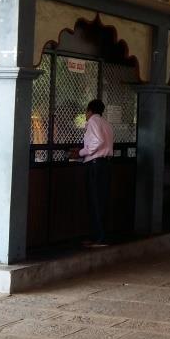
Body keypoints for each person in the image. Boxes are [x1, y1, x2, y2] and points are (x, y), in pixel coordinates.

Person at [71, 99, 114, 247]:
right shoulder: (105, 123)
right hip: (104, 164)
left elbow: (97, 141)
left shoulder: (93, 122)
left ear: (89, 110)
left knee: (95, 201)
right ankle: (98, 235)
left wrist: (81, 152)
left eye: (86, 111)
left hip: (95, 165)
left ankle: (99, 238)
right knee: (101, 200)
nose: (85, 114)